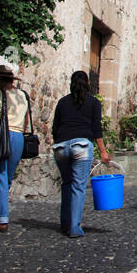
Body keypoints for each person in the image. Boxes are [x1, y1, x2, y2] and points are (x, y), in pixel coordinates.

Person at [51, 70, 111, 238]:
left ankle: (65, 222)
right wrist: (103, 151)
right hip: (82, 146)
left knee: (66, 183)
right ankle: (74, 227)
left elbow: (55, 128)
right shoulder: (93, 103)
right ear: (88, 84)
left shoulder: (62, 102)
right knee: (78, 186)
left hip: (61, 147)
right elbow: (96, 129)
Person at [0, 64, 32, 232]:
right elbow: (26, 120)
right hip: (18, 137)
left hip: (2, 135)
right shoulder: (23, 95)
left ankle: (1, 217)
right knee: (7, 178)